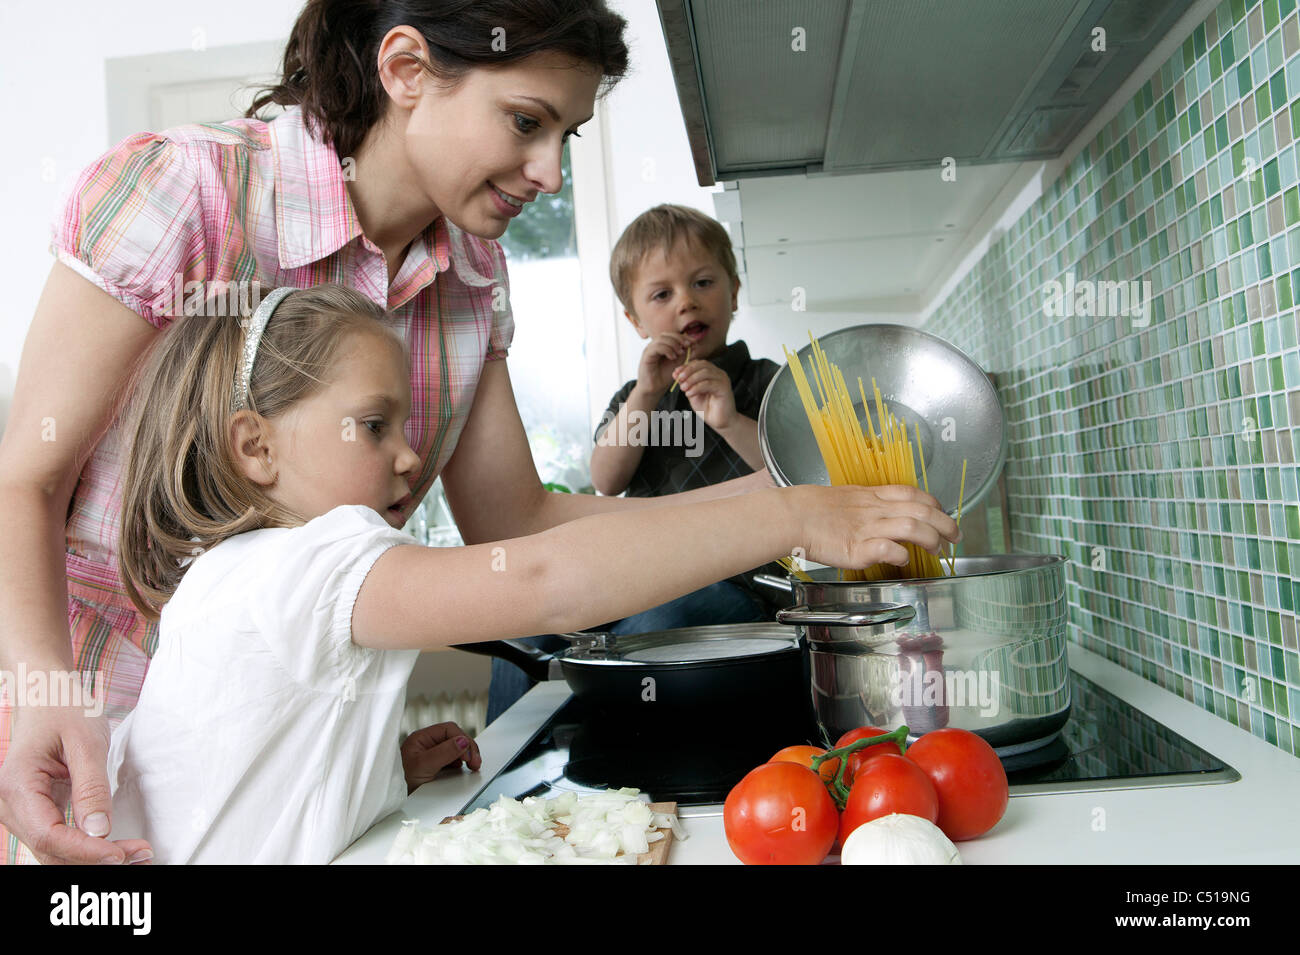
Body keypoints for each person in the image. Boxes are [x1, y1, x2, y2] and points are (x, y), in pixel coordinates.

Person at [0, 0, 957, 865]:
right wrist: (41, 698)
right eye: (526, 122)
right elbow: (24, 479)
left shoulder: (471, 275)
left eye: (567, 136)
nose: (549, 171)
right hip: (88, 763)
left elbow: (519, 526)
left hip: (282, 795)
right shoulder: (186, 190)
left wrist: (794, 500)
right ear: (408, 70)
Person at [108, 284, 487, 863]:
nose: (410, 457)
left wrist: (385, 776)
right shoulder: (307, 562)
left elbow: (253, 797)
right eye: (374, 425)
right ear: (257, 446)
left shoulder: (231, 570)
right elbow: (537, 582)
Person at [485, 204, 781, 719]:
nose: (687, 302)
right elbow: (606, 478)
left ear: (733, 290)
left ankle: (616, 758)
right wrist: (646, 393)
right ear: (635, 319)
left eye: (704, 282)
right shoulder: (636, 395)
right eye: (662, 295)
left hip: (736, 587)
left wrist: (730, 420)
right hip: (639, 571)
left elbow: (794, 475)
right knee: (519, 620)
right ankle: (507, 770)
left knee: (652, 620)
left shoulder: (765, 382)